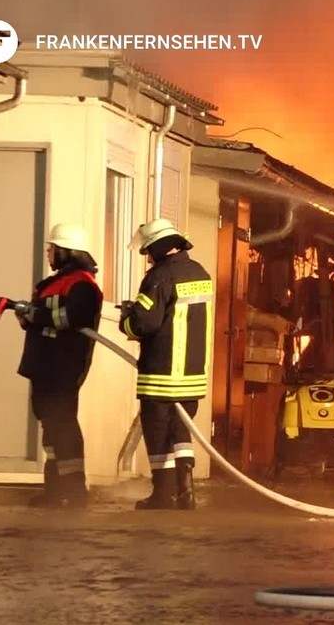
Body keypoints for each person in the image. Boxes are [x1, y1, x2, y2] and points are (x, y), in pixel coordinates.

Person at [119, 218, 214, 511]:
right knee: (181, 432)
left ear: (160, 248)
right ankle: (186, 493)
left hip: (161, 373)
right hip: (192, 375)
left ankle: (164, 494)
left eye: (149, 251)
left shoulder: (159, 277)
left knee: (158, 433)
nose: (148, 257)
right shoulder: (200, 272)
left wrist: (127, 319)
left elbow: (144, 324)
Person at [15, 223, 103, 509]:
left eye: (52, 249)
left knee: (63, 427)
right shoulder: (53, 284)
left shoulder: (82, 284)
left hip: (63, 367)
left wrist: (36, 315)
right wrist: (27, 317)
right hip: (44, 366)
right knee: (51, 427)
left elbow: (72, 318)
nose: (48, 254)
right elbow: (44, 317)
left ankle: (74, 491)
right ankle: (54, 490)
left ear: (66, 251)